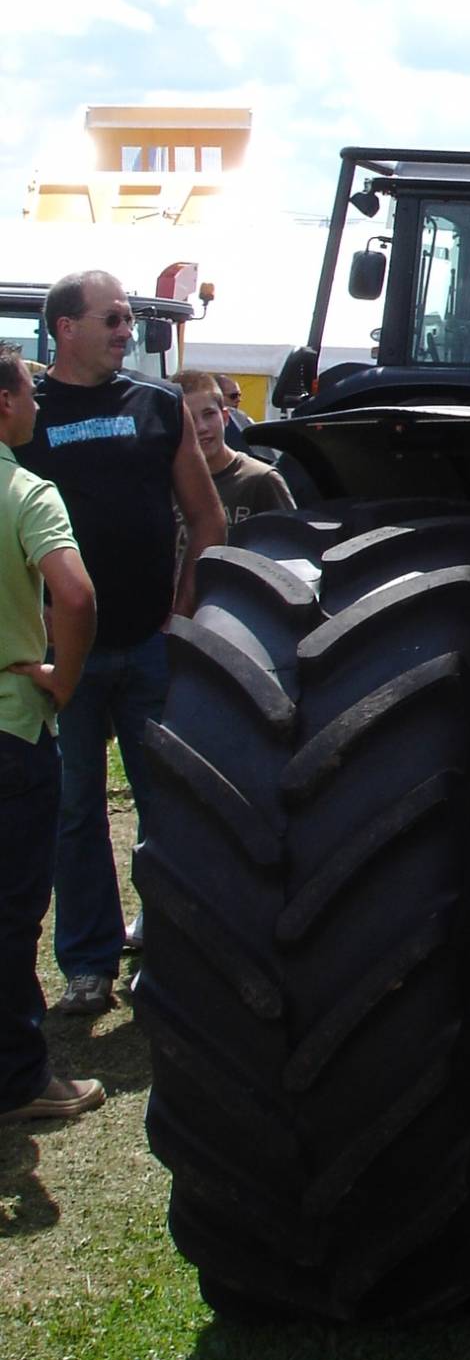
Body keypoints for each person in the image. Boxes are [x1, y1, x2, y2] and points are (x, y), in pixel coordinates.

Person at [13, 273, 225, 1018]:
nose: (126, 331)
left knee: (169, 812)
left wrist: (184, 609)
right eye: (112, 319)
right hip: (65, 653)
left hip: (148, 646)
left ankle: (171, 955)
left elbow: (208, 519)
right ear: (64, 328)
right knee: (74, 811)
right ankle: (88, 966)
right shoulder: (31, 415)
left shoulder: (156, 404)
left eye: (130, 318)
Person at [0, 347, 103, 1122]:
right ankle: (19, 1080)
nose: (38, 405)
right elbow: (73, 594)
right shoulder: (27, 491)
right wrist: (62, 681)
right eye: (31, 393)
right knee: (9, 912)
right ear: (4, 406)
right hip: (11, 726)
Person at [176, 371, 293, 532]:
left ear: (225, 417)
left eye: (209, 414)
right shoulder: (163, 481)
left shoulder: (260, 481)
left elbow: (289, 545)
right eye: (189, 419)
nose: (201, 427)